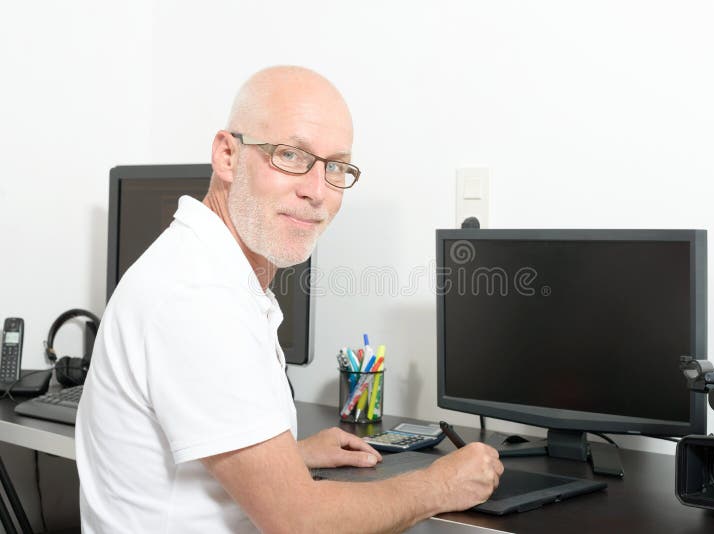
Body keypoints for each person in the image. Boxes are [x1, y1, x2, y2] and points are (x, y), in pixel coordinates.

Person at [75, 66, 503, 533]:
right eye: (290, 155)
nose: (317, 191)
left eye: (335, 166)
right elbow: (300, 523)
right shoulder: (198, 297)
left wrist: (288, 454)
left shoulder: (208, 270)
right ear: (227, 156)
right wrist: (440, 484)